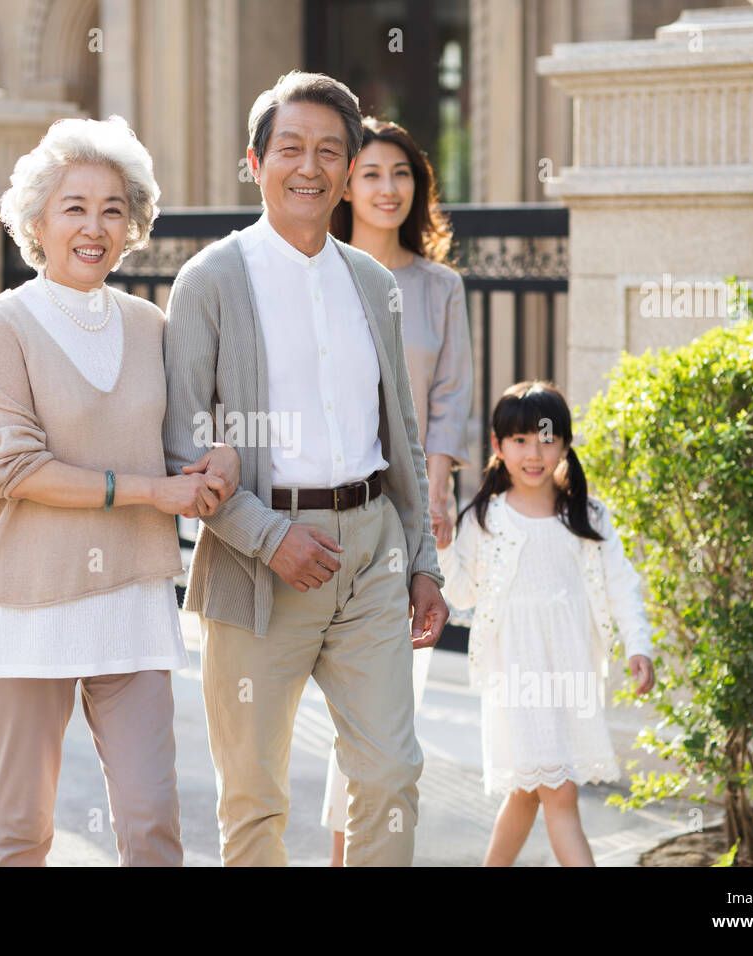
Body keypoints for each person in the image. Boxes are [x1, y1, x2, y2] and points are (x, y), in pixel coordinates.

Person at [163, 71, 450, 867]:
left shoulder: (373, 283)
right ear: (254, 162)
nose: (310, 167)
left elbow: (401, 436)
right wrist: (268, 537)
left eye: (332, 151)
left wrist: (420, 560)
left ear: (351, 168)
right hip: (259, 566)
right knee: (255, 796)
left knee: (392, 773)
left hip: (370, 549)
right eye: (290, 148)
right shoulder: (210, 282)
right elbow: (178, 448)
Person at [0, 115, 239, 867]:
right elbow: (12, 467)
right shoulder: (3, 324)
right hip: (29, 601)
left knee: (151, 824)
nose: (95, 226)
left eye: (114, 209)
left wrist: (214, 465)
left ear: (133, 224)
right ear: (38, 222)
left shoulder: (150, 324)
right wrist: (150, 492)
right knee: (23, 831)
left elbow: (182, 445)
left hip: (133, 600)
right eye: (74, 207)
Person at [319, 115, 472, 864]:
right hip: (325, 509)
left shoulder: (441, 286)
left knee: (384, 708)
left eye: (401, 174)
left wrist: (436, 496)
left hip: (403, 518)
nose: (388, 188)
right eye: (372, 173)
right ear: (346, 184)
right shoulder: (322, 271)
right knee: (351, 708)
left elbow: (450, 400)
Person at [440, 380, 656, 866]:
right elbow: (461, 594)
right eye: (519, 441)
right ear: (498, 446)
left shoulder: (587, 517)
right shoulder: (486, 519)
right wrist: (443, 546)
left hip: (570, 673)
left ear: (565, 443)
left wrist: (638, 646)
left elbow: (623, 584)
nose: (533, 453)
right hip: (516, 676)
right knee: (559, 794)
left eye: (545, 438)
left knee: (528, 793)